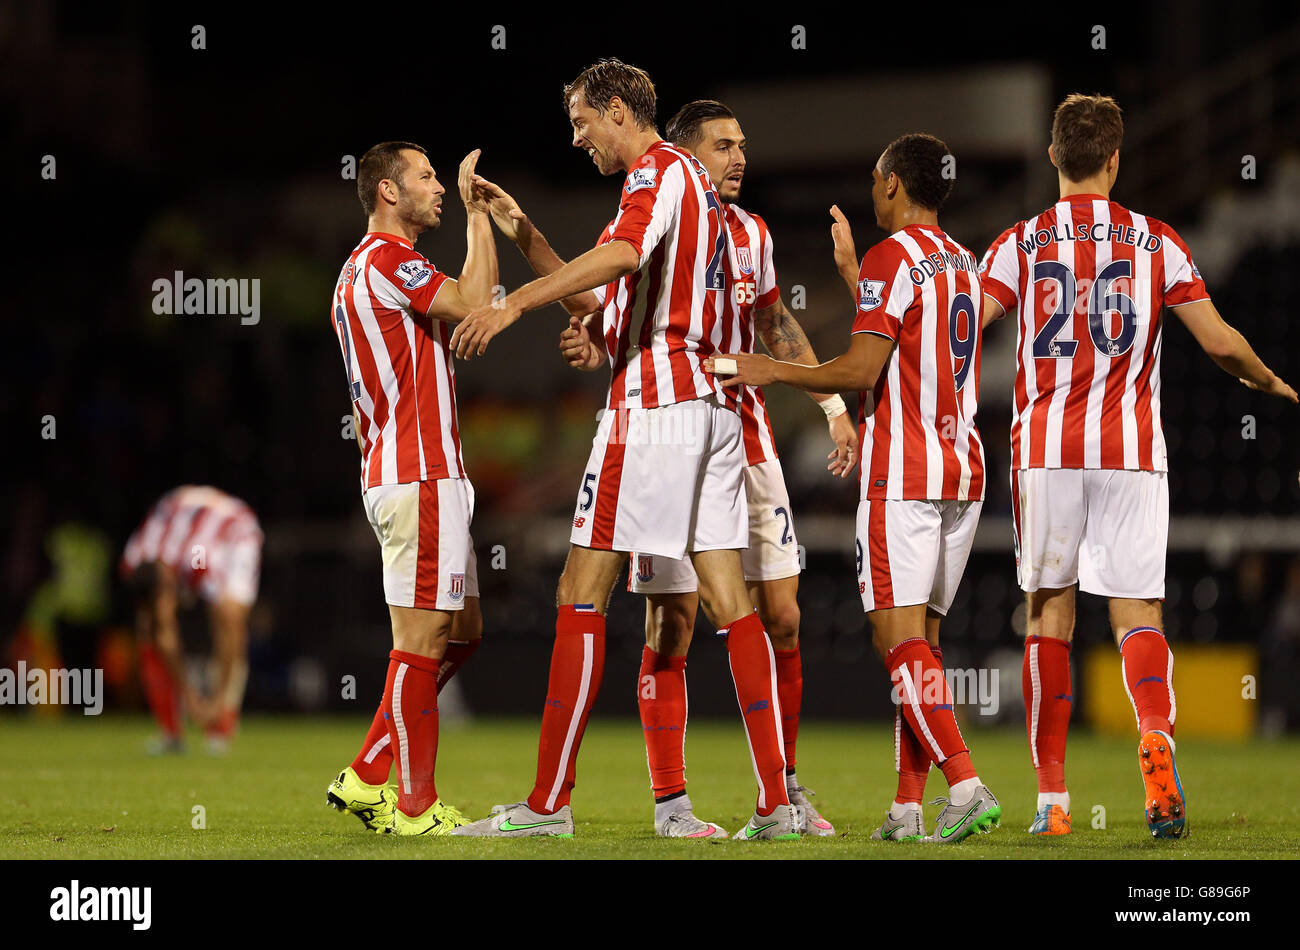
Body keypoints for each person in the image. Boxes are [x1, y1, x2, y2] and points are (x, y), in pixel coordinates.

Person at [451, 59, 799, 841]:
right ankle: (776, 805)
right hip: (711, 412)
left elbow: (619, 260)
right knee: (728, 601)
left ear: (616, 110)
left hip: (651, 407)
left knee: (580, 589)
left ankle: (547, 807)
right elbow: (609, 297)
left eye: (581, 122)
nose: (577, 139)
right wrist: (527, 235)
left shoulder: (654, 173)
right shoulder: (695, 189)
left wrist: (509, 307)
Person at [980, 94, 1298, 839]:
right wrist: (1269, 380)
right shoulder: (1157, 242)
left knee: (1049, 616)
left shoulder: (1020, 243)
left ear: (1055, 156)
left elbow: (964, 328)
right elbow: (1219, 344)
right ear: (1116, 159)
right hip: (1130, 453)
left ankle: (1053, 803)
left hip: (1047, 453)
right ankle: (1155, 738)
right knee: (1138, 615)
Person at [571, 99, 856, 838]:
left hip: (744, 432)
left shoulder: (751, 233)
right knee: (674, 620)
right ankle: (673, 802)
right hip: (676, 423)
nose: (740, 158)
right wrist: (582, 324)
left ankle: (784, 789)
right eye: (725, 145)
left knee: (782, 614)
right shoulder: (655, 210)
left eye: (743, 145)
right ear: (687, 153)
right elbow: (609, 297)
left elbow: (776, 327)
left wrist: (831, 409)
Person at [711, 133, 1000, 844]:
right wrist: (849, 274)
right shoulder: (963, 261)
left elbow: (862, 371)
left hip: (903, 470)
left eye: (876, 179)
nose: (872, 191)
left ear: (896, 185)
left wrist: (772, 371)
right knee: (922, 646)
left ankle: (964, 784)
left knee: (895, 640)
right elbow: (909, 344)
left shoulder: (891, 255)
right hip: (963, 470)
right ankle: (906, 807)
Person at [324, 141, 499, 836]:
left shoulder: (358, 270)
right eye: (426, 177)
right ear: (388, 192)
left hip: (421, 474)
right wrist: (480, 218)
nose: (440, 189)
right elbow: (472, 301)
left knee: (462, 633)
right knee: (423, 642)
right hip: (417, 474)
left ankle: (368, 773)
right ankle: (415, 804)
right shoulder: (390, 257)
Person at [121, 485, 262, 755]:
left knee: (230, 616)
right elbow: (163, 630)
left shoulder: (199, 561)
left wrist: (214, 701)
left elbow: (228, 627)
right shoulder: (132, 559)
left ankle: (222, 718)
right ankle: (171, 733)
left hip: (234, 529)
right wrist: (191, 698)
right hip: (182, 508)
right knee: (148, 628)